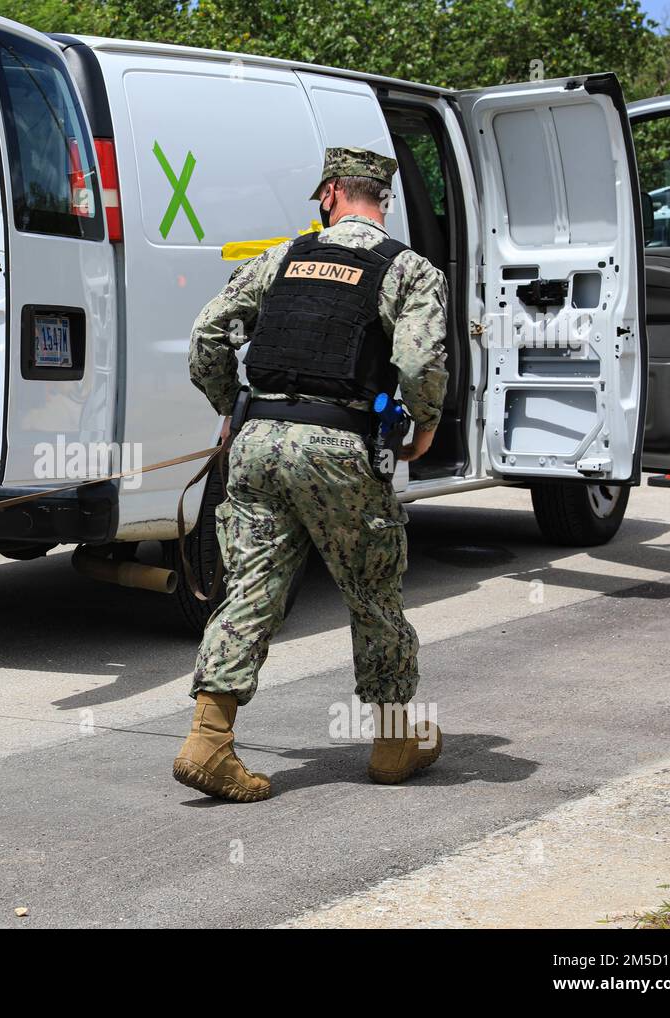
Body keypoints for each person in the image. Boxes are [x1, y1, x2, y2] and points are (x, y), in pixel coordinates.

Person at [173, 147, 449, 802]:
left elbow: (208, 333)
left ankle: (208, 742)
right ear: (379, 199)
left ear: (329, 194)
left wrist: (229, 410)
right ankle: (391, 743)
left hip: (258, 442)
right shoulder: (407, 269)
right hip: (339, 448)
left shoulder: (281, 258)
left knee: (249, 585)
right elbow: (420, 361)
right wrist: (427, 423)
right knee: (372, 588)